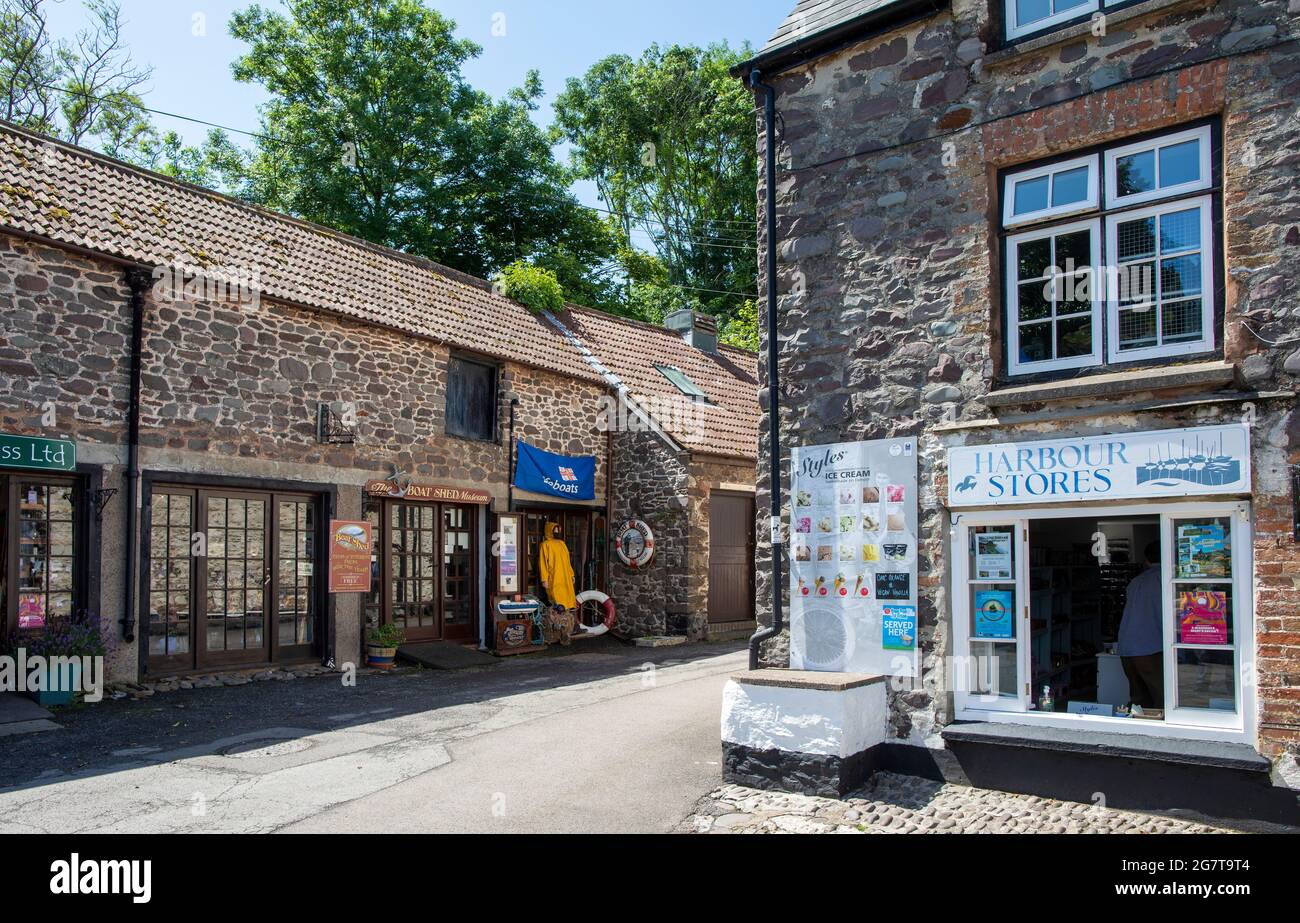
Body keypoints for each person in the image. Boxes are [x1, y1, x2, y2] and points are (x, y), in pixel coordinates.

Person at [1118, 540, 1164, 709]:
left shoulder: (1135, 582)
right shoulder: (1164, 579)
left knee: (1138, 700)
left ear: (1147, 560)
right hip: (1150, 647)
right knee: (1162, 700)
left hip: (1126, 648)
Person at [538, 522, 578, 642]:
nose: (556, 533)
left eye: (557, 530)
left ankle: (566, 630)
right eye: (554, 530)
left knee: (566, 605)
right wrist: (544, 579)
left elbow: (567, 561)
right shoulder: (545, 545)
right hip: (554, 578)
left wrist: (571, 574)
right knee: (556, 604)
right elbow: (543, 563)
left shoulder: (562, 544)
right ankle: (557, 632)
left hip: (565, 577)